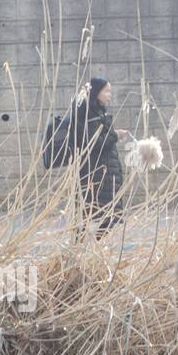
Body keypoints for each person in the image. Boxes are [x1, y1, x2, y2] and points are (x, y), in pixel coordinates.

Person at [68, 77, 129, 238]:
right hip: (95, 174)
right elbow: (95, 143)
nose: (110, 95)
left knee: (106, 216)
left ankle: (92, 248)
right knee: (90, 215)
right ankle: (83, 249)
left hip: (105, 173)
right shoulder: (88, 114)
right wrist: (115, 135)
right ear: (96, 92)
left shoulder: (99, 111)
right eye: (107, 91)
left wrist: (115, 135)